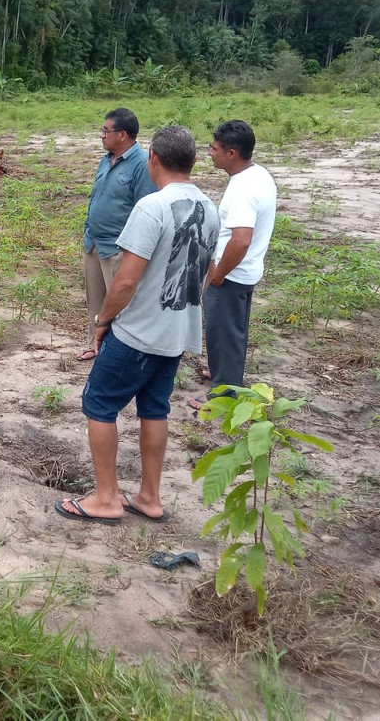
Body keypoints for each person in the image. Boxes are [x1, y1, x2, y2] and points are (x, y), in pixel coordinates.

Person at [55, 126, 218, 524]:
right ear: (193, 162)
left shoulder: (152, 208)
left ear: (154, 160)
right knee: (154, 410)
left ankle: (107, 499)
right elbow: (208, 270)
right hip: (177, 333)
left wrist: (103, 320)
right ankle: (149, 496)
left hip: (139, 331)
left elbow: (126, 280)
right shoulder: (210, 209)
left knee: (99, 404)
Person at [189, 120, 277, 410]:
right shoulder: (257, 175)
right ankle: (224, 374)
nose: (208, 153)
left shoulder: (243, 190)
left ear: (231, 153)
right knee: (231, 330)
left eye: (213, 149)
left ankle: (222, 395)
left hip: (233, 273)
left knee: (223, 330)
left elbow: (240, 240)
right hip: (245, 270)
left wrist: (218, 272)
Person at [79, 107, 155, 360]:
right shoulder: (106, 159)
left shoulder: (142, 165)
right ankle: (94, 344)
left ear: (122, 135)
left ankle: (120, 352)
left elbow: (145, 210)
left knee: (121, 305)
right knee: (96, 301)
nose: (101, 135)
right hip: (94, 242)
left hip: (118, 248)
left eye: (105, 130)